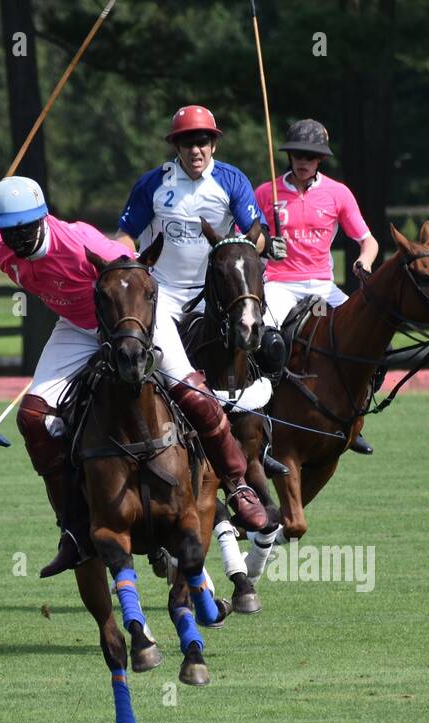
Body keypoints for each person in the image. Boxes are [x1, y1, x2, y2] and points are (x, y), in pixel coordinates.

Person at [112, 104, 274, 531]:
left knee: (268, 344)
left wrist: (264, 240)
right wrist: (124, 259)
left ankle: (263, 441)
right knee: (142, 361)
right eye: (187, 142)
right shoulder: (155, 183)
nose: (196, 148)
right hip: (162, 295)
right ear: (177, 147)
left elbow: (251, 230)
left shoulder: (231, 180)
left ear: (213, 143)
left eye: (202, 140)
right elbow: (126, 232)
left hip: (213, 296)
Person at [0, 175, 135, 577]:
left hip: (124, 326)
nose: (18, 240)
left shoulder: (78, 239)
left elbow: (134, 269)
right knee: (32, 416)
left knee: (188, 390)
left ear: (41, 218)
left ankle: (238, 484)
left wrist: (127, 330)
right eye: (9, 232)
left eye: (25, 229)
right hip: (76, 329)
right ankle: (74, 529)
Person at [255, 119, 380, 455]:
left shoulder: (338, 193)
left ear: (320, 159)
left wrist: (363, 262)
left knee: (370, 341)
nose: (303, 160)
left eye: (310, 155)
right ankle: (262, 417)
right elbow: (243, 239)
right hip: (280, 283)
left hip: (323, 287)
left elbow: (368, 241)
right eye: (297, 153)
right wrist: (265, 244)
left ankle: (353, 419)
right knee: (264, 340)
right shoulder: (267, 193)